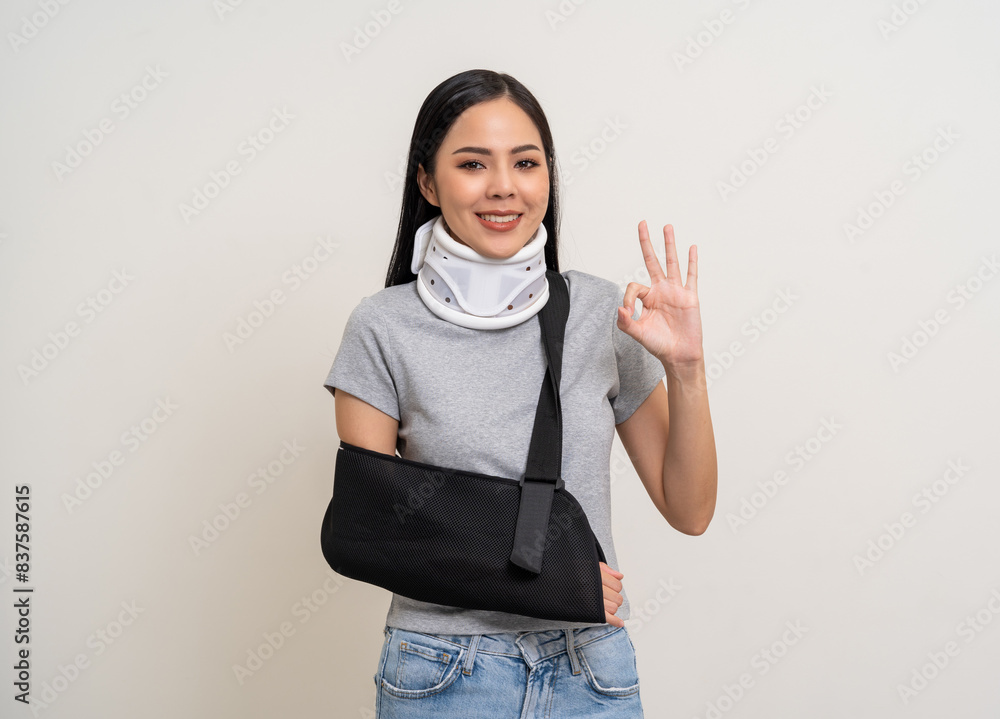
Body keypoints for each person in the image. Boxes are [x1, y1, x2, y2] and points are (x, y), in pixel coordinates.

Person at [324, 69, 718, 718]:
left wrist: (687, 367)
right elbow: (371, 531)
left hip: (588, 667)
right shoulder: (382, 326)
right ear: (428, 181)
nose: (504, 185)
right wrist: (544, 579)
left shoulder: (603, 314)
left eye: (526, 163)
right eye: (473, 163)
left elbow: (690, 510)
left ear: (548, 178)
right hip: (442, 671)